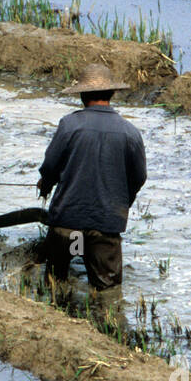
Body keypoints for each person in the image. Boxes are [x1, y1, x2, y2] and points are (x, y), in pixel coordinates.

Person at [37, 63, 147, 319]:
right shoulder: (130, 132)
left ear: (81, 95)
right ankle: (108, 336)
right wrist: (120, 203)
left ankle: (58, 326)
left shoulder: (69, 125)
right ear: (112, 94)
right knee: (108, 294)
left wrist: (47, 183)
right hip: (105, 226)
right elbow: (139, 177)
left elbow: (50, 166)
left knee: (57, 284)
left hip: (67, 223)